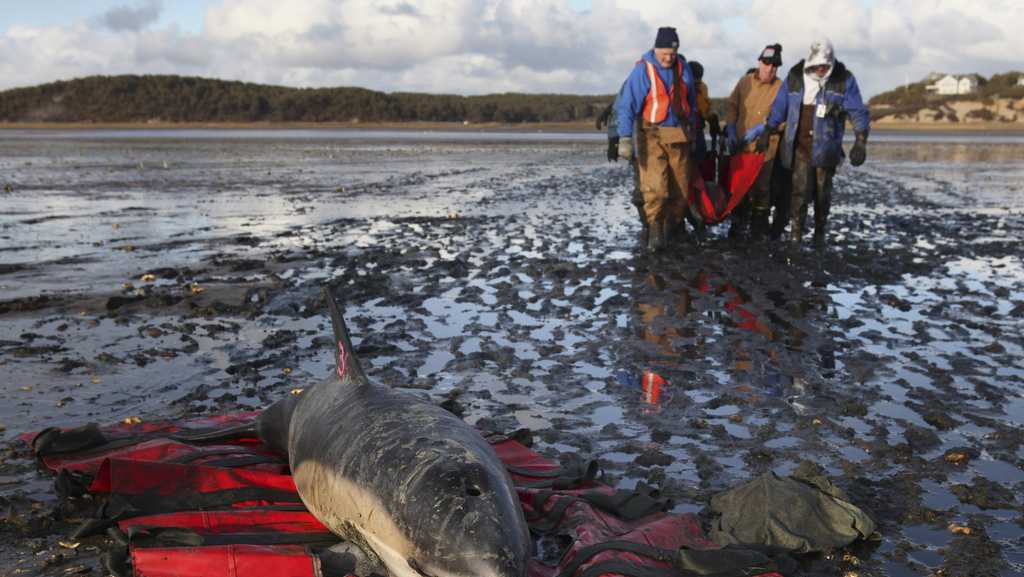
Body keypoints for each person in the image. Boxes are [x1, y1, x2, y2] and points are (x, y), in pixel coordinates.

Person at [759, 38, 870, 245]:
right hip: (798, 144)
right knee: (798, 192)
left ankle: (820, 233)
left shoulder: (843, 78)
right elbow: (781, 106)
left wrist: (860, 141)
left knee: (822, 194)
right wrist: (768, 129)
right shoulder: (794, 76)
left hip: (827, 147)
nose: (821, 69)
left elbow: (857, 111)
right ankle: (796, 235)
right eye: (818, 65)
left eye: (825, 65)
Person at [615, 26, 698, 253]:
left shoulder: (684, 68)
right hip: (650, 135)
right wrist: (623, 138)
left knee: (680, 190)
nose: (669, 58)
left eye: (672, 53)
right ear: (656, 48)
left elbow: (692, 104)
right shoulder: (643, 70)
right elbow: (627, 105)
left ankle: (672, 231)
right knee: (656, 190)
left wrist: (696, 133)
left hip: (679, 136)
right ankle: (654, 232)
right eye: (664, 53)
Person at [725, 43, 788, 241]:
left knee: (762, 188)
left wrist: (766, 129)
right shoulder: (744, 82)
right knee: (739, 187)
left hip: (765, 149)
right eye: (767, 64)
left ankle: (758, 227)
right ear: (759, 62)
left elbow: (787, 120)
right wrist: (730, 128)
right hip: (740, 146)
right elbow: (732, 106)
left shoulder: (781, 88)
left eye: (775, 66)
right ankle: (737, 224)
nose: (770, 69)